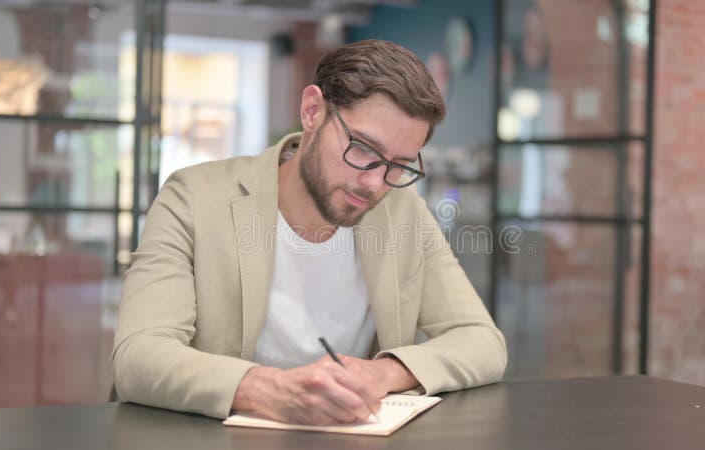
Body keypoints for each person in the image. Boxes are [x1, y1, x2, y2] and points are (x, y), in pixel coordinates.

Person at [112, 39, 507, 424]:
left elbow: (481, 340)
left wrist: (384, 372)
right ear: (312, 110)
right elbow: (139, 356)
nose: (375, 184)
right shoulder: (193, 197)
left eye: (399, 165)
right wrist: (271, 390)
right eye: (364, 149)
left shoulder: (401, 210)